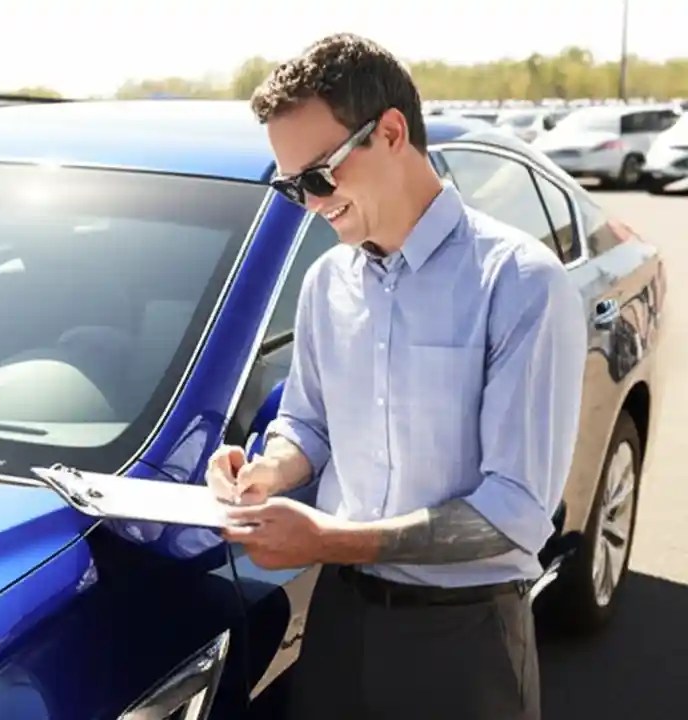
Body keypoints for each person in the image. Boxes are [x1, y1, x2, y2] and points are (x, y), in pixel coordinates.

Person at [207, 33, 587, 720]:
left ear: (390, 132)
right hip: (340, 622)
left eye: (319, 175)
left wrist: (327, 540)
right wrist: (268, 471)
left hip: (464, 641)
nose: (311, 203)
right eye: (292, 186)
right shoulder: (327, 284)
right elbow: (309, 423)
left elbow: (515, 514)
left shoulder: (519, 283)